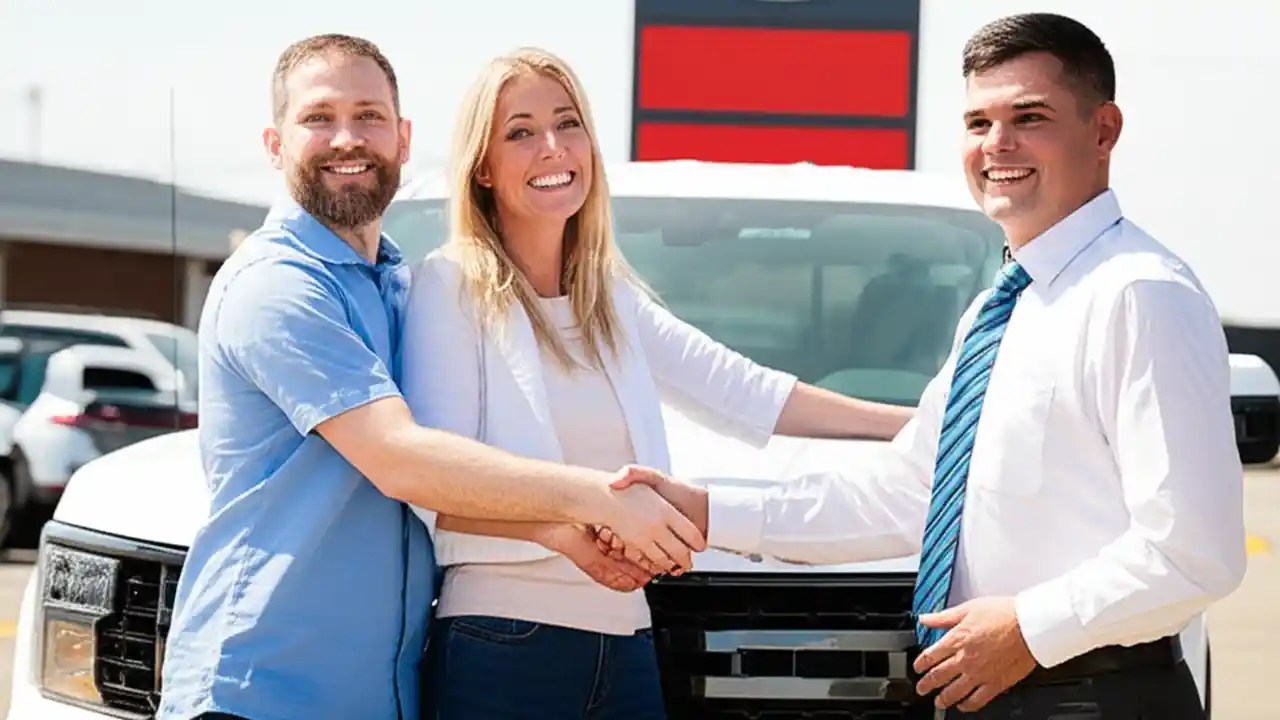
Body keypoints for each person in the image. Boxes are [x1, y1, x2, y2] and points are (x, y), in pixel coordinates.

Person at [611, 12, 1247, 719]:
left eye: (1029, 117)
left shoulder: (1138, 294)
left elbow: (1195, 550)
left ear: (1103, 131)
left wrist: (1029, 632)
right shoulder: (1000, 311)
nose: (997, 144)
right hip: (993, 693)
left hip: (1093, 694)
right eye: (978, 123)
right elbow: (907, 495)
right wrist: (706, 512)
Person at [157, 34, 709, 720]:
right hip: (261, 689)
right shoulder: (277, 288)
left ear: (404, 137)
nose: (347, 138)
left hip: (379, 695)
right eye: (318, 118)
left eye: (369, 116)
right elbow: (400, 457)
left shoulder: (400, 288)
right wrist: (596, 500)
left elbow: (449, 481)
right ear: (274, 144)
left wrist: (551, 532)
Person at [399, 46, 914, 720]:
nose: (553, 148)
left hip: (628, 637)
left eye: (568, 123)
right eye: (520, 132)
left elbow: (750, 391)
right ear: (485, 169)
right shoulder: (452, 286)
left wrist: (928, 422)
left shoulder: (609, 298)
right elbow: (439, 484)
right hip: (505, 640)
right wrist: (569, 525)